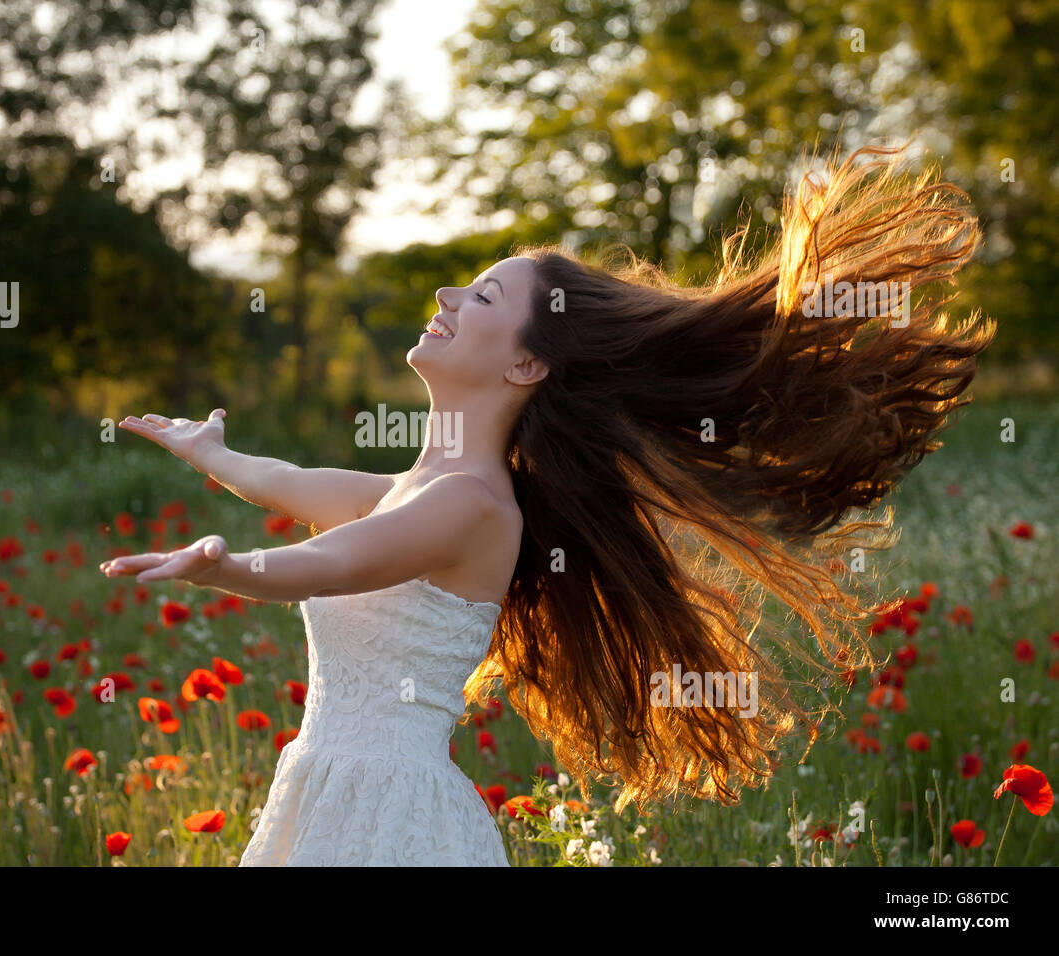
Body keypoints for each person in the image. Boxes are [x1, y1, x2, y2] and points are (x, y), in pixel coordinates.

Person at [99, 142, 996, 865]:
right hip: (338, 791)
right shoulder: (416, 491)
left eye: (481, 295)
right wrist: (213, 453)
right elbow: (294, 486)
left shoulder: (475, 507)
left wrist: (228, 568)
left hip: (388, 819)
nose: (447, 296)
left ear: (526, 365)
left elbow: (329, 562)